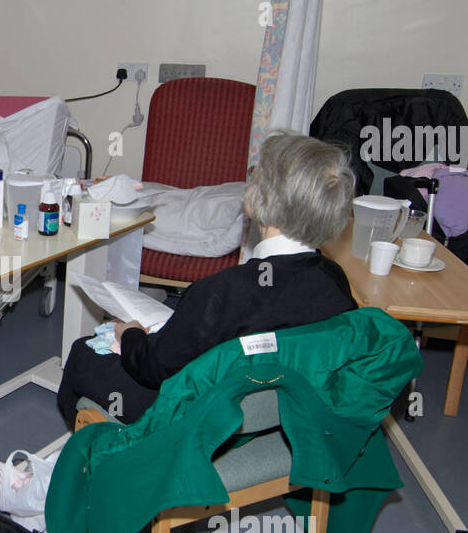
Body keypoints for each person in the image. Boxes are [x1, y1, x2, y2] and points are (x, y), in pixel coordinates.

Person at [57, 132, 359, 428]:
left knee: (84, 352)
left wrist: (132, 335)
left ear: (261, 197)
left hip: (202, 416)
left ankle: (99, 458)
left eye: (255, 175)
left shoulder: (223, 292)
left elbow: (152, 368)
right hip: (284, 415)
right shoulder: (335, 282)